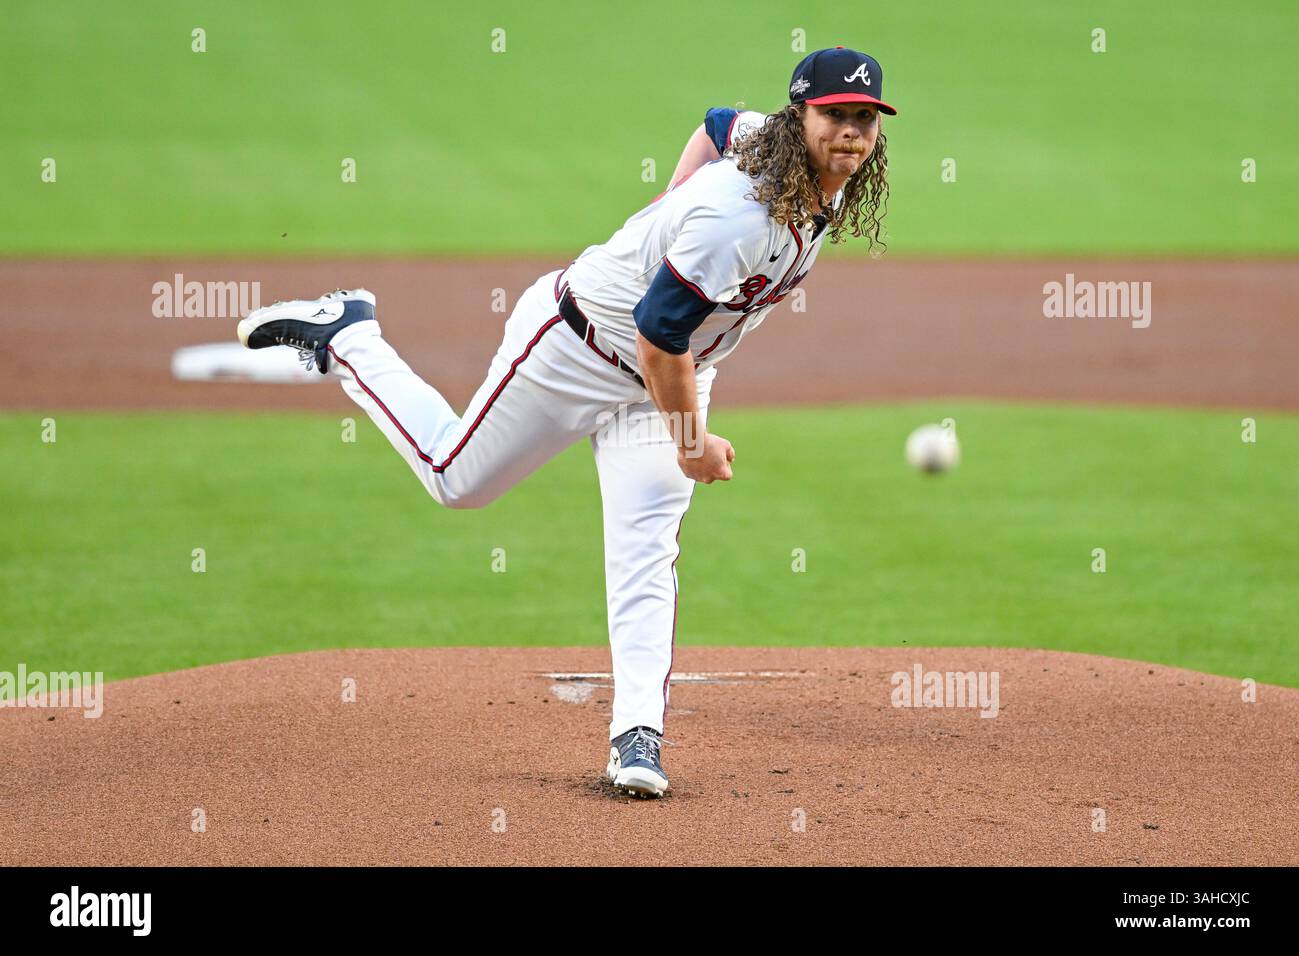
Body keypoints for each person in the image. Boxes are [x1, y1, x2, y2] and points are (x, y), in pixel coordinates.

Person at [236, 46, 895, 798]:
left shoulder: (805, 171)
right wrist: (692, 445)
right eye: (835, 115)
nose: (851, 131)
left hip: (666, 371)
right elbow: (659, 335)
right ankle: (350, 335)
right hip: (574, 347)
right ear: (800, 116)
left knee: (647, 547)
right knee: (457, 482)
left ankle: (637, 735)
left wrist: (661, 214)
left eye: (865, 118)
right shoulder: (737, 219)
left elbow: (717, 124)